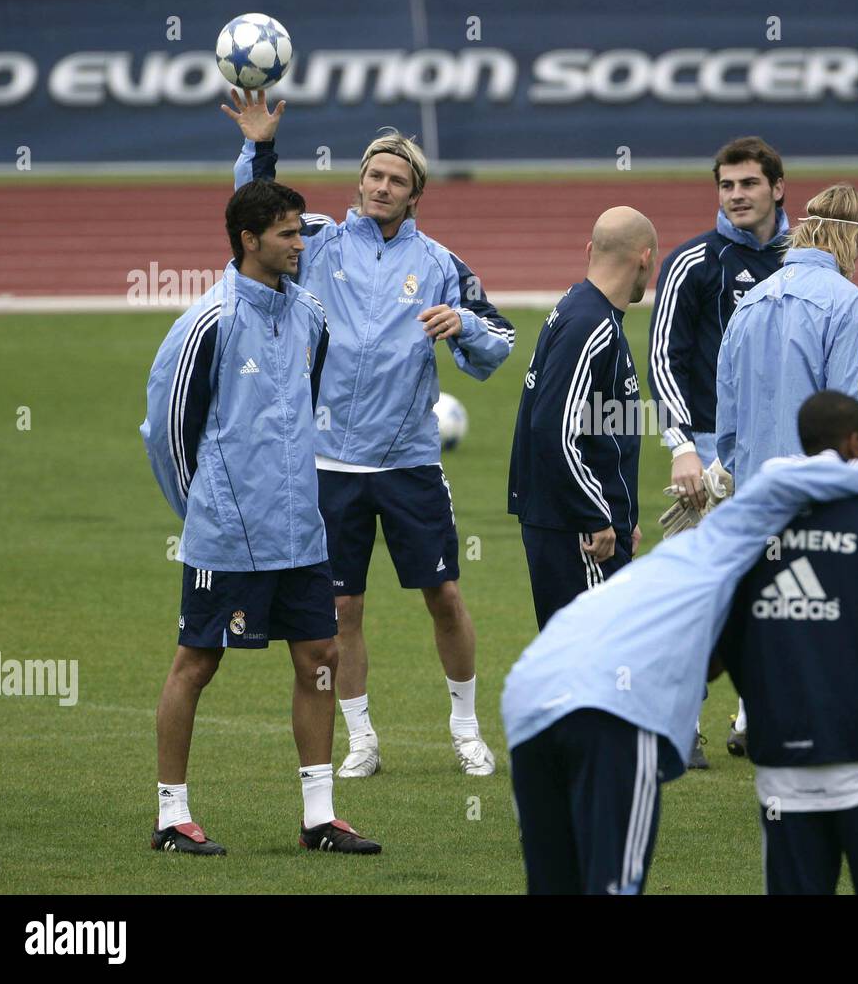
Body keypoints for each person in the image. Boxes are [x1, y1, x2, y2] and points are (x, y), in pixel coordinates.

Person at [222, 90, 515, 779]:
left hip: (409, 459)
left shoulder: (442, 263)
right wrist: (258, 147)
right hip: (328, 463)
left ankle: (466, 729)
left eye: (398, 180)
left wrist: (464, 327)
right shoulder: (316, 241)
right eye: (375, 175)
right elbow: (256, 214)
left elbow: (498, 343)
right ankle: (362, 739)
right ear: (360, 180)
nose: (383, 186)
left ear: (415, 196)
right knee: (340, 606)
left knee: (443, 595)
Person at [501, 419, 858, 894]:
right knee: (612, 885)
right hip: (609, 712)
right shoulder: (727, 543)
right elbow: (783, 474)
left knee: (553, 884)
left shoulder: (674, 567)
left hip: (528, 694)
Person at [139, 180, 380, 856]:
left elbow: (300, 408)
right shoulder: (208, 321)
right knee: (197, 660)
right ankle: (171, 815)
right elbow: (165, 431)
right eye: (288, 234)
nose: (301, 244)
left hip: (302, 531)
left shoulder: (311, 315)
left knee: (320, 658)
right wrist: (201, 509)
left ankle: (319, 817)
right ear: (249, 240)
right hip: (226, 535)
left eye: (301, 232)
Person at [716, 392, 858, 894]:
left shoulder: (755, 522)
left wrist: (761, 705)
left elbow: (725, 634)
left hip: (783, 763)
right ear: (856, 442)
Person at [714, 181, 858, 756]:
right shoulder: (851, 305)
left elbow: (724, 417)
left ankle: (753, 713)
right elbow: (856, 415)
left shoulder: (749, 301)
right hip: (821, 491)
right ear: (855, 238)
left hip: (755, 485)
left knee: (770, 600)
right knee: (830, 614)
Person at [647, 135, 789, 766]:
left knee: (775, 588)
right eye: (727, 186)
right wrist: (681, 447)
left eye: (749, 184)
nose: (736, 196)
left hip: (779, 457)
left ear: (777, 188)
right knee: (695, 593)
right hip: (704, 454)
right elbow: (663, 361)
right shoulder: (694, 262)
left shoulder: (804, 263)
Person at [508, 207, 654, 630]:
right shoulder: (592, 325)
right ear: (645, 258)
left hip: (584, 522)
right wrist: (597, 514)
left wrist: (623, 515)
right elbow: (553, 429)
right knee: (591, 658)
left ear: (591, 250)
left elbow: (598, 424)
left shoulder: (582, 311)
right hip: (579, 531)